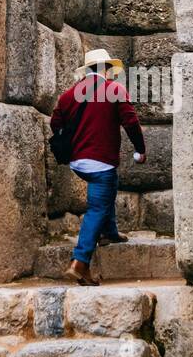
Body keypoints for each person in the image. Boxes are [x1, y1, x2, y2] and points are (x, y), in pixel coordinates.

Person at [50, 48, 146, 285]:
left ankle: (109, 232)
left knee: (106, 189)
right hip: (101, 162)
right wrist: (140, 149)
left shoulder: (69, 95)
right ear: (105, 69)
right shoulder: (114, 90)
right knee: (96, 207)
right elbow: (131, 122)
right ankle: (80, 262)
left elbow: (55, 123)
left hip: (77, 162)